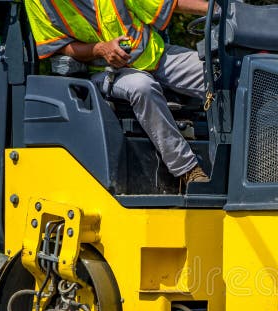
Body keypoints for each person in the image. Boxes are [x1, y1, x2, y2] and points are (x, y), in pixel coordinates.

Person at [25, 0, 211, 192]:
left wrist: (215, 8)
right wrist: (101, 49)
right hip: (104, 70)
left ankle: (238, 164)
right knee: (142, 87)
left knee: (217, 72)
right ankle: (189, 170)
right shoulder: (38, 3)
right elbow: (60, 46)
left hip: (154, 55)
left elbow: (164, 4)